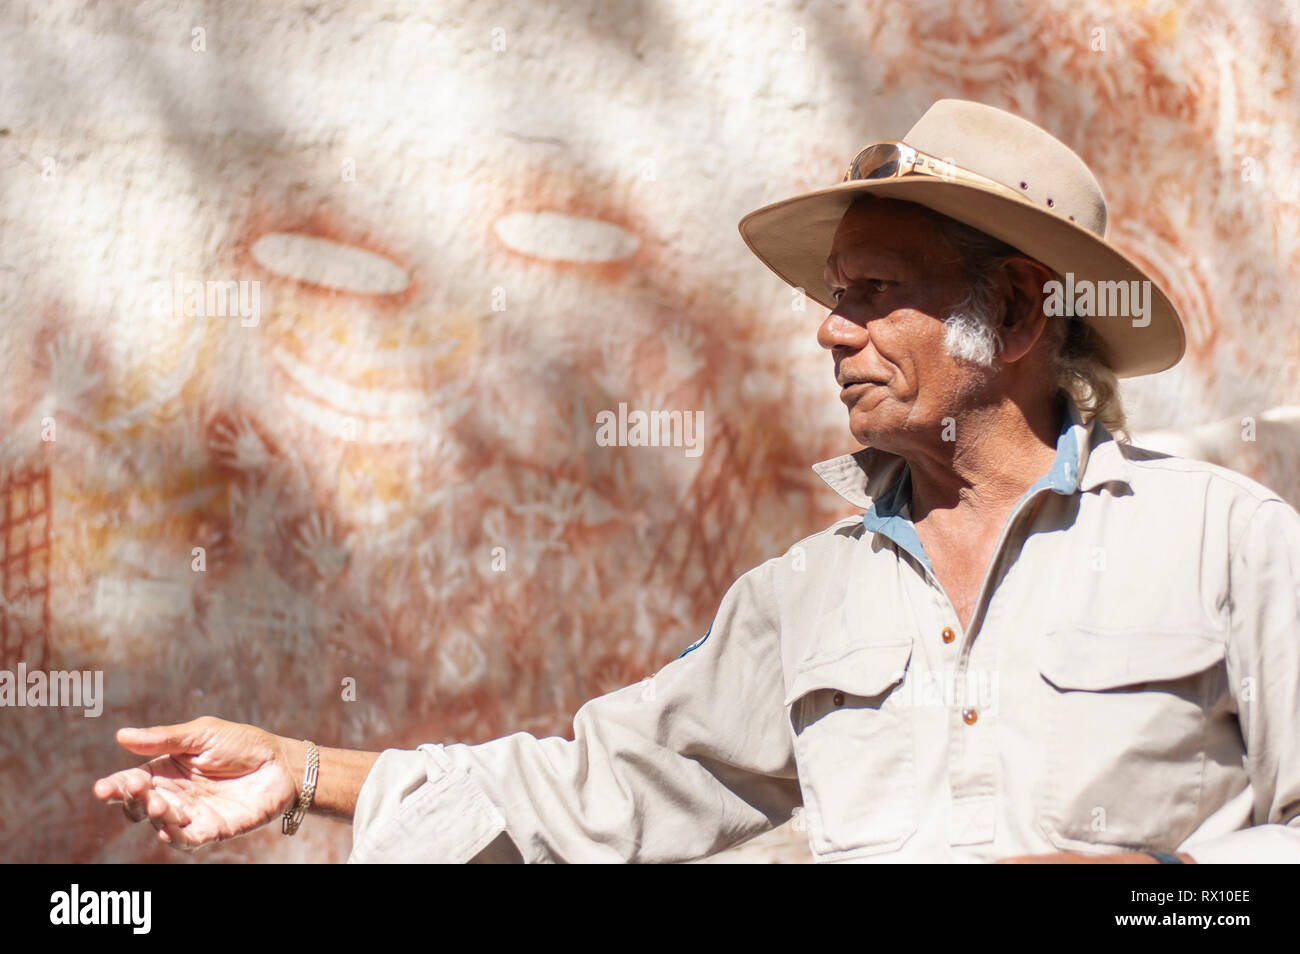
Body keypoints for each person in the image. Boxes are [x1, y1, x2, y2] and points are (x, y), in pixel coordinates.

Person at [94, 100, 1300, 863]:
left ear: (1021, 312)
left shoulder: (1227, 544)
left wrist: (1154, 891)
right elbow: (595, 788)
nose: (832, 332)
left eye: (873, 293)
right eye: (834, 299)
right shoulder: (799, 599)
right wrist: (300, 774)